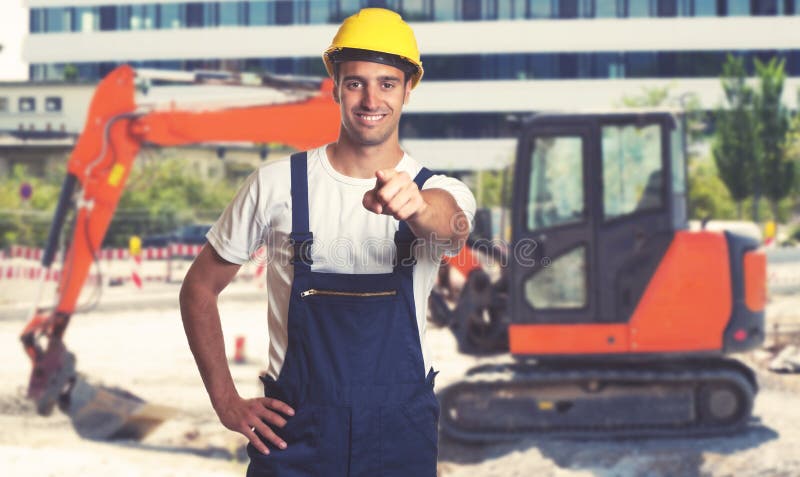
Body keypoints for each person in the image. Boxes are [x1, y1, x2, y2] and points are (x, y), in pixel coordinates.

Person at [179, 8, 476, 477]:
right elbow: (198, 288)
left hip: (399, 435)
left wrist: (416, 206)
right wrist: (226, 401)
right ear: (335, 85)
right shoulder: (276, 185)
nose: (371, 98)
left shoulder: (438, 189)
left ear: (408, 89)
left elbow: (452, 227)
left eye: (387, 83)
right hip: (295, 436)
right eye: (356, 82)